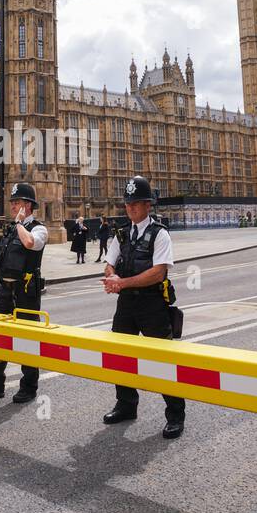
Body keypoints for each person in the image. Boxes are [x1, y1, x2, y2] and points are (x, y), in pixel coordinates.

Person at [101, 175, 185, 439]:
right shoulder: (122, 234)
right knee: (120, 356)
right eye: (128, 204)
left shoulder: (160, 234)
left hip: (151, 304)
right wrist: (111, 276)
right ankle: (126, 405)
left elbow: (158, 273)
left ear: (148, 205)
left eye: (136, 204)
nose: (131, 208)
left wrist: (121, 282)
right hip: (126, 304)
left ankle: (175, 414)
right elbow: (109, 262)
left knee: (162, 361)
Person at [0, 183, 48, 403]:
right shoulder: (10, 229)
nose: (12, 205)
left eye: (16, 202)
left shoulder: (39, 229)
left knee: (27, 339)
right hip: (5, 291)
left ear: (27, 206)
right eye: (12, 202)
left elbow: (29, 243)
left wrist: (18, 223)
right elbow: (3, 261)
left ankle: (28, 387)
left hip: (26, 291)